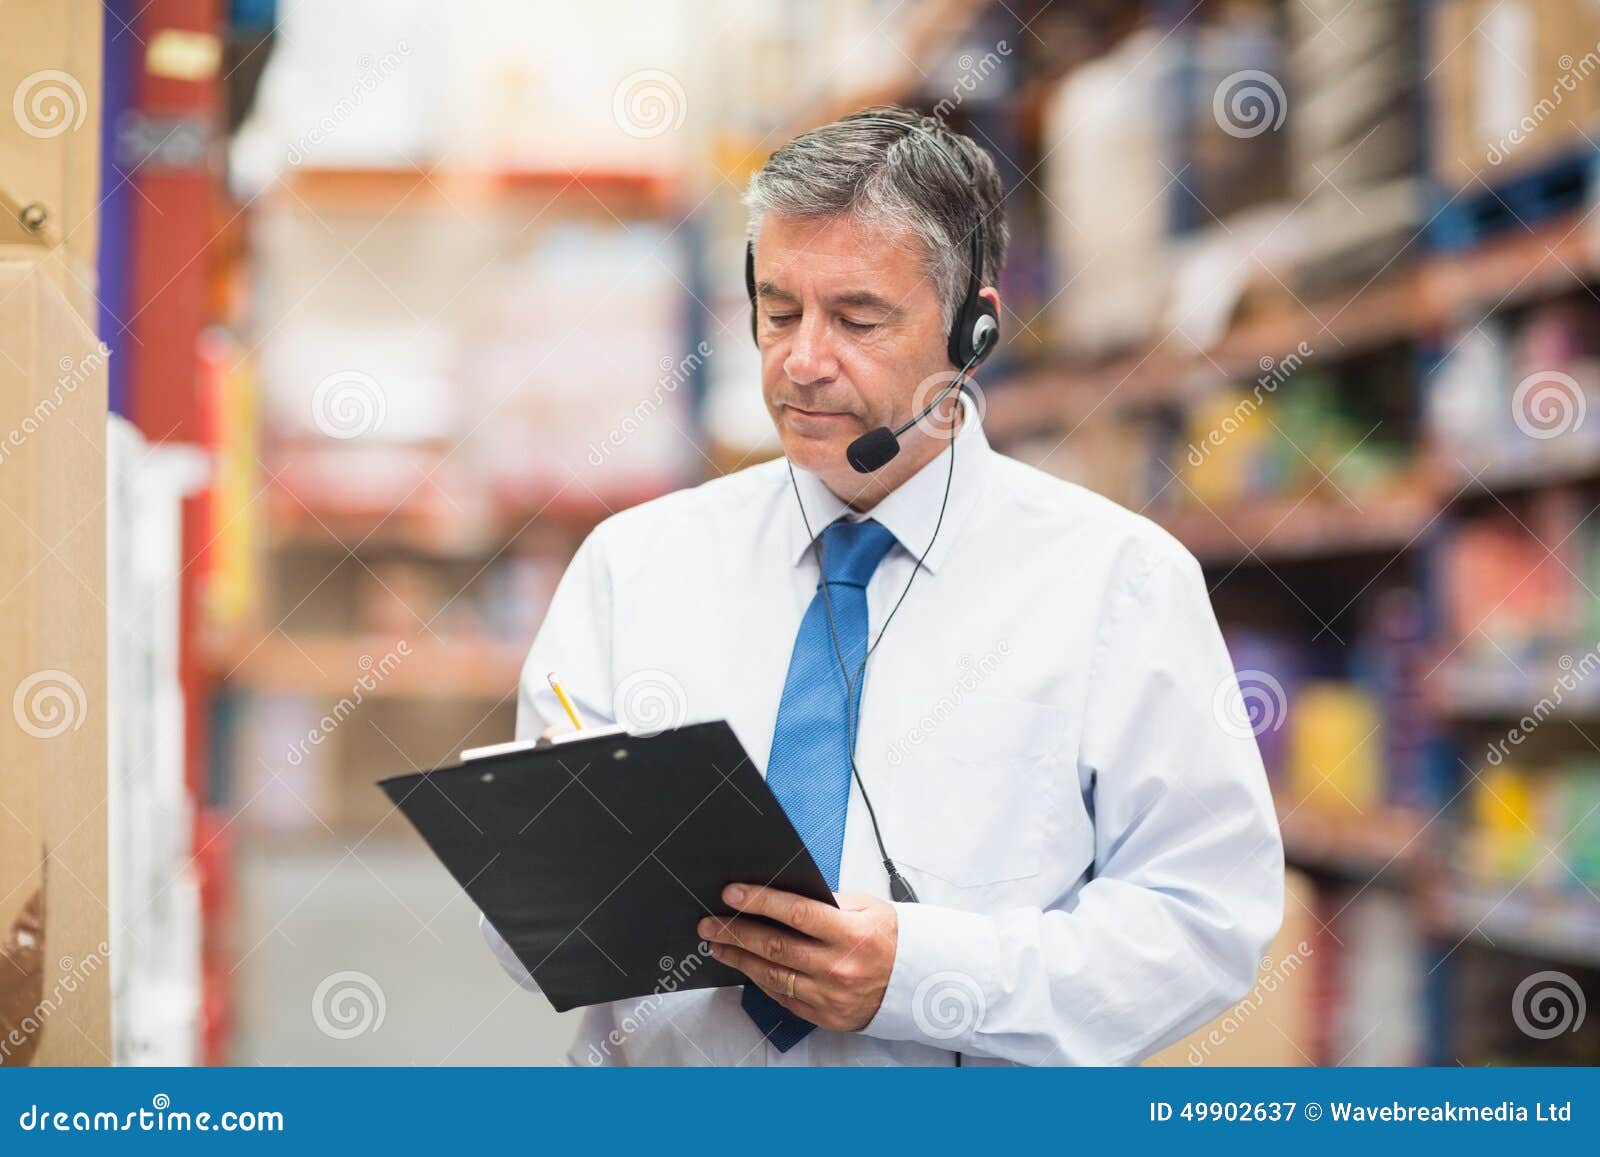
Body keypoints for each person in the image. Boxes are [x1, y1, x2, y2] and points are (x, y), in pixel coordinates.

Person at [481, 105, 1284, 1066]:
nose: (803, 362)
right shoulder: (635, 565)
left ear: (972, 330)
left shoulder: (1119, 584)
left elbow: (1203, 923)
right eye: (779, 312)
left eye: (857, 319)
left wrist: (924, 976)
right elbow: (524, 938)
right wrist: (549, 876)